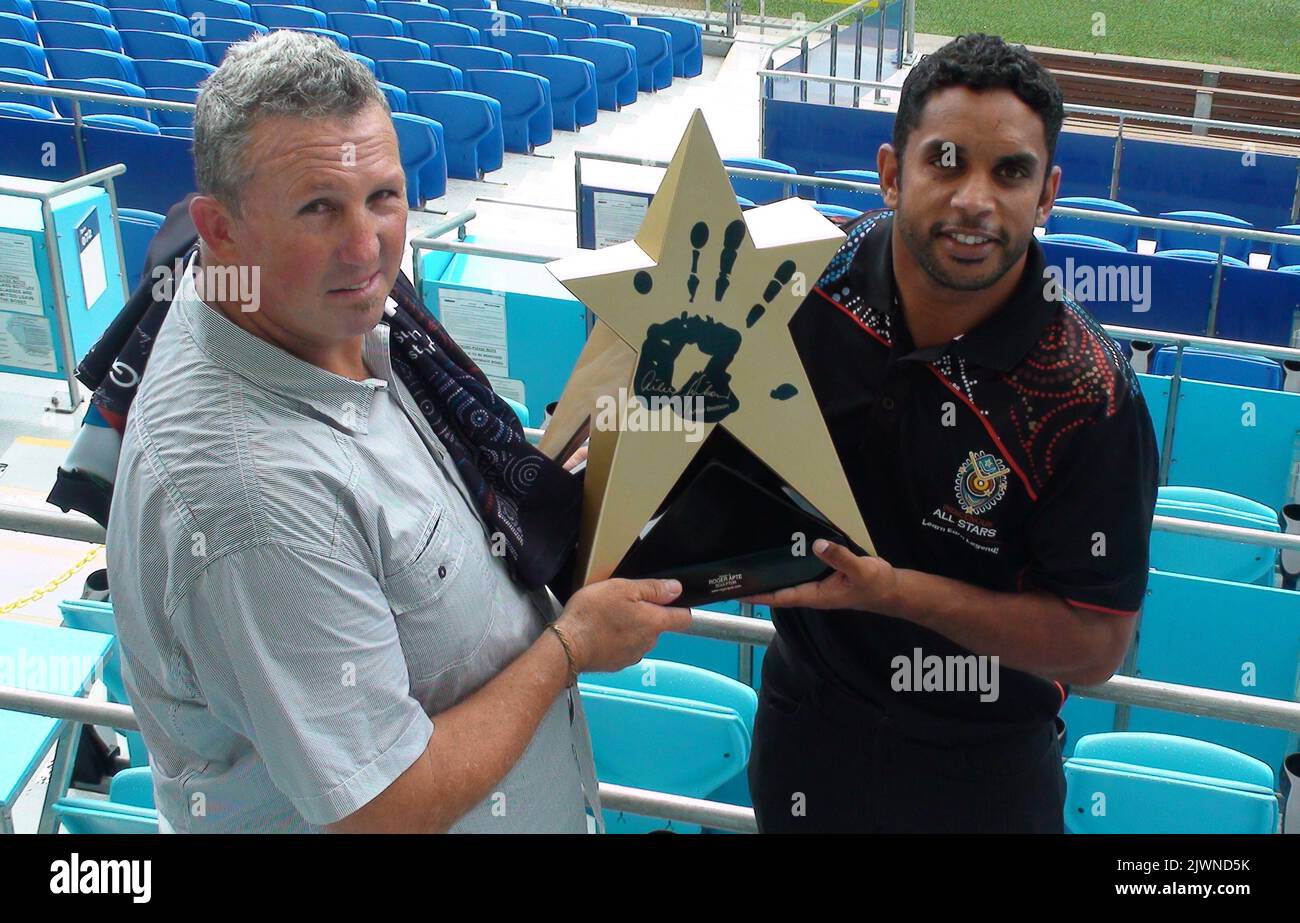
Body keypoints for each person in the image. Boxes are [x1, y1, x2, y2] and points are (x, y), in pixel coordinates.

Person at [106, 30, 690, 833]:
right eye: (319, 208)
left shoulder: (318, 310)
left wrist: (555, 465)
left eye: (384, 196)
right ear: (220, 228)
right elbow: (380, 808)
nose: (366, 247)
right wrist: (571, 646)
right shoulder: (253, 501)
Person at [745, 33, 1158, 833]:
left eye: (1010, 172)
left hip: (981, 771)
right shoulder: (796, 277)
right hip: (805, 730)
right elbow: (671, 359)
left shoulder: (1087, 392)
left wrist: (893, 591)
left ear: (1047, 196)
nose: (976, 199)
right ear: (892, 173)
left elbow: (1097, 645)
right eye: (945, 160)